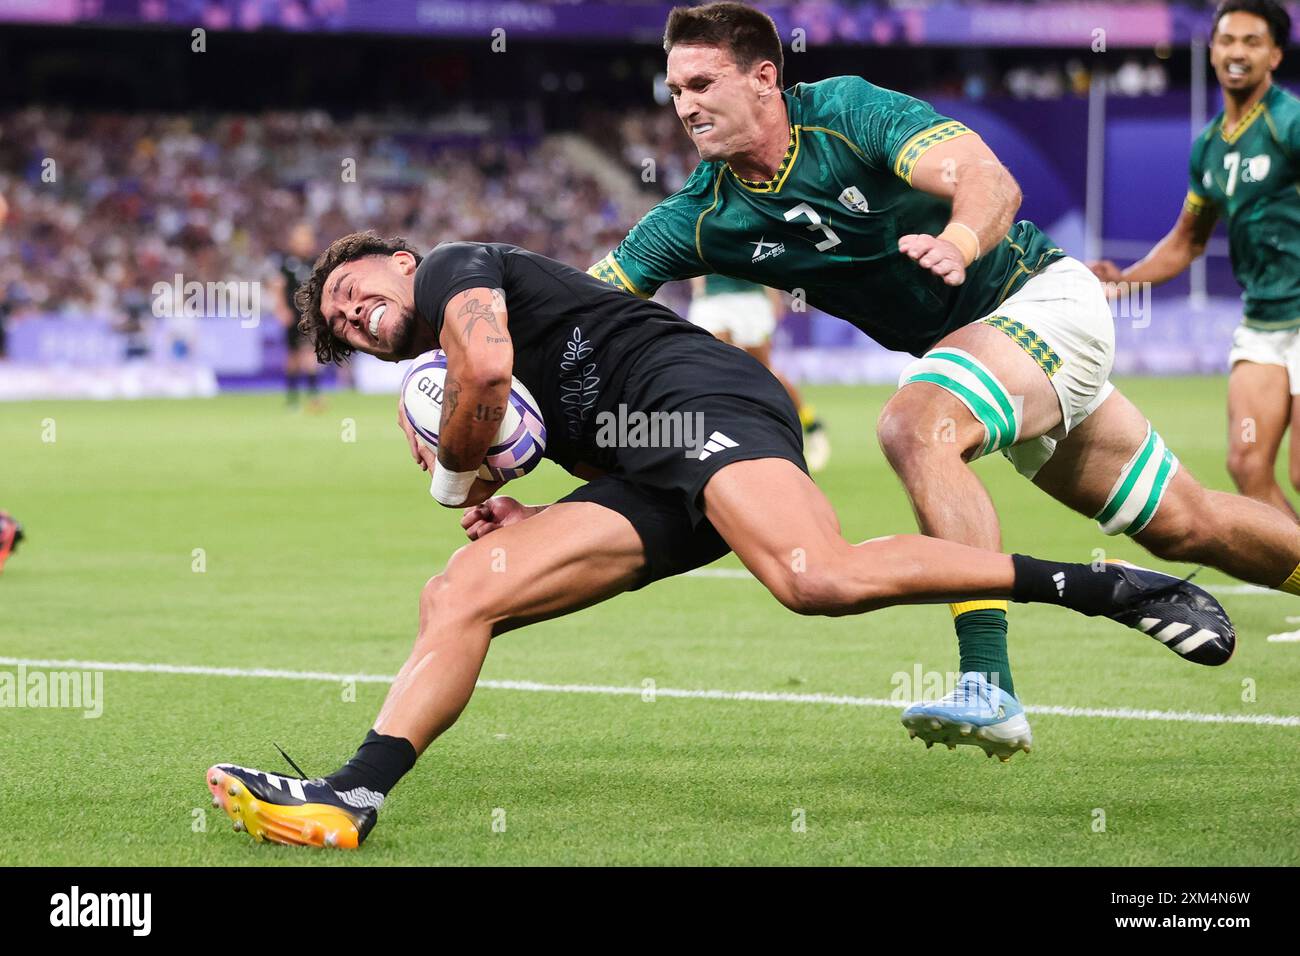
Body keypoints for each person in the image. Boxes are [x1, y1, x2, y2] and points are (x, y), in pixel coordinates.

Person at [205, 231, 1234, 849]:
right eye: (341, 325)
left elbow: (479, 378)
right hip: (650, 464)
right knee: (465, 586)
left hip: (703, 400)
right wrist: (529, 506)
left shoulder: (458, 277)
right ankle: (354, 793)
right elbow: (568, 427)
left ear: (401, 260)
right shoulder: (452, 358)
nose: (355, 315)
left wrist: (453, 474)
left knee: (812, 575)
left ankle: (1112, 589)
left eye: (354, 291)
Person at [586, 1, 1300, 757]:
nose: (684, 105)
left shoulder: (847, 113)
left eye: (701, 83)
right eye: (675, 89)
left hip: (1040, 301)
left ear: (764, 78)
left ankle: (988, 687)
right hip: (995, 360)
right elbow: (583, 307)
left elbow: (989, 181)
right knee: (1190, 525)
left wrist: (960, 240)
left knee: (912, 425)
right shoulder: (700, 215)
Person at [1090, 0, 1299, 521]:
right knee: (1248, 465)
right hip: (1263, 321)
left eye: (1253, 42)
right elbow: (1189, 239)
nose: (1237, 52)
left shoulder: (1290, 123)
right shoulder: (1208, 147)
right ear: (1212, 51)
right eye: (1227, 40)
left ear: (1275, 55)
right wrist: (1127, 280)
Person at [687, 274, 831, 470]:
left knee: (764, 371)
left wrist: (773, 297)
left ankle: (811, 424)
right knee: (710, 367)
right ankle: (721, 441)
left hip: (749, 299)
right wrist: (698, 287)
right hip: (712, 299)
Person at [274, 222, 324, 410]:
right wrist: (281, 309)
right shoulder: (287, 263)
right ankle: (293, 399)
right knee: (293, 357)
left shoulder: (314, 263)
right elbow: (278, 286)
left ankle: (314, 397)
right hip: (292, 315)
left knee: (310, 354)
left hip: (309, 316)